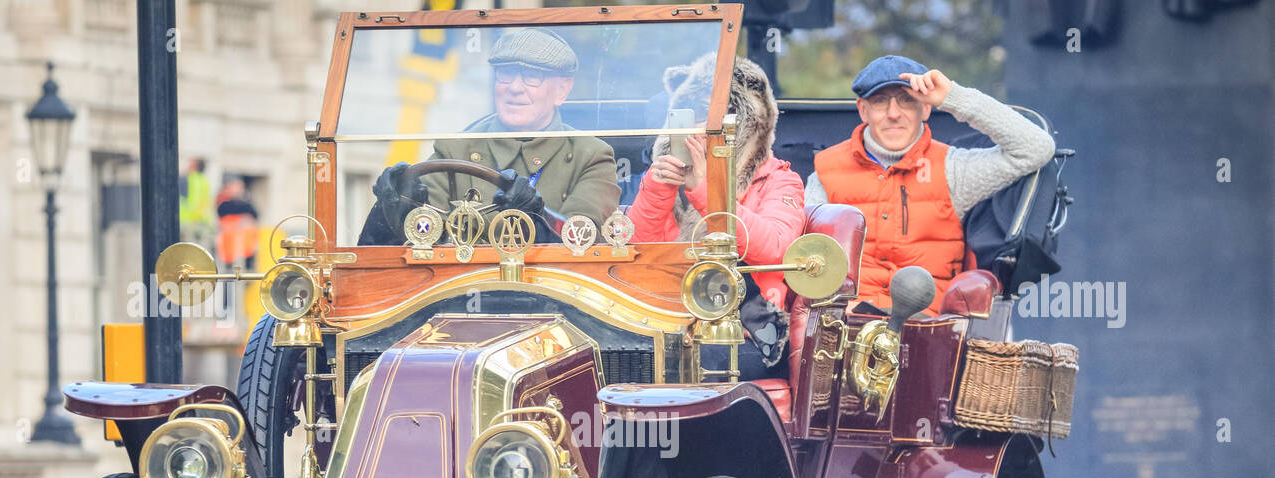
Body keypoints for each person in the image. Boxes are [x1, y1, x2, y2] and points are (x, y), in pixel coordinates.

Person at [806, 55, 1055, 315]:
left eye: (907, 100)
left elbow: (1037, 148)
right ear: (863, 110)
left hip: (929, 334)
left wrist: (953, 97)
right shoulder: (826, 170)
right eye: (880, 101)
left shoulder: (953, 168)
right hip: (845, 329)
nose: (893, 114)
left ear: (925, 108)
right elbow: (805, 259)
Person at [358, 28, 620, 246]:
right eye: (505, 74)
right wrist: (396, 206)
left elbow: (581, 241)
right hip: (456, 296)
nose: (514, 89)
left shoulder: (592, 156)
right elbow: (424, 236)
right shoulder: (455, 149)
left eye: (532, 77)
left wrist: (539, 217)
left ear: (562, 90)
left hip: (553, 297)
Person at [630, 55, 805, 379]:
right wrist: (658, 187)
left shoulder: (780, 179)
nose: (706, 123)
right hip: (665, 318)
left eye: (724, 112)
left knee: (688, 364)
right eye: (696, 111)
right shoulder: (670, 175)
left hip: (745, 330)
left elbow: (775, 248)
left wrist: (705, 190)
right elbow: (641, 255)